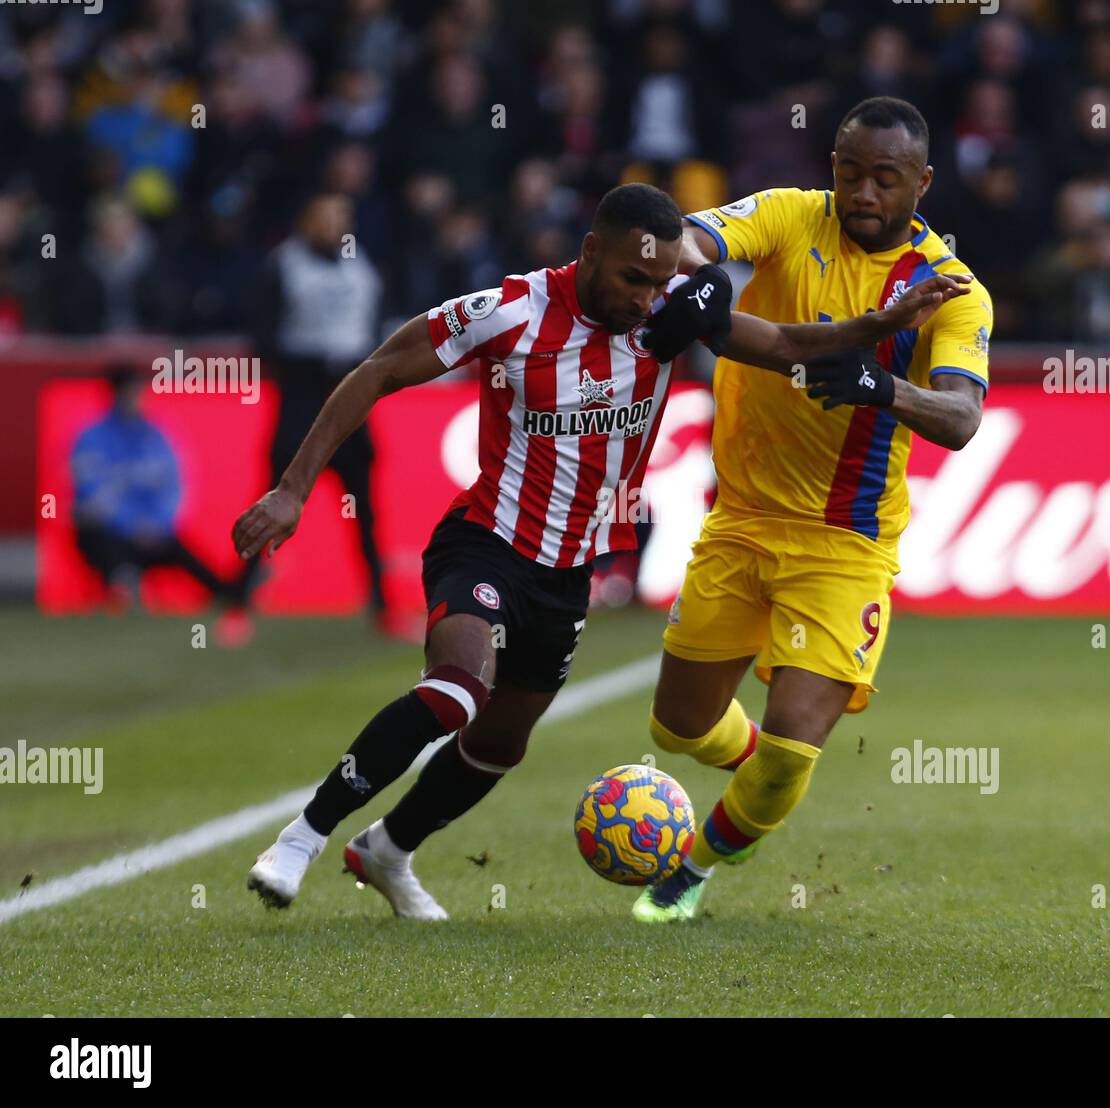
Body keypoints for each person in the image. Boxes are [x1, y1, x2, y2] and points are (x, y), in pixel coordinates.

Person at [233, 182, 965, 920]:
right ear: (589, 253)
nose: (646, 298)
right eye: (631, 279)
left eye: (657, 282)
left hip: (570, 573)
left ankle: (388, 851)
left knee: (500, 743)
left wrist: (878, 325)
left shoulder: (669, 317)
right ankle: (302, 837)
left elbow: (782, 345)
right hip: (487, 544)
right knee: (458, 689)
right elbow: (379, 369)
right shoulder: (511, 310)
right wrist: (293, 489)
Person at [633, 96, 994, 922]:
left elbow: (963, 420)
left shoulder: (952, 291)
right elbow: (694, 234)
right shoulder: (793, 216)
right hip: (739, 520)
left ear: (923, 183)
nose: (863, 193)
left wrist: (882, 386)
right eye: (849, 172)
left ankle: (691, 871)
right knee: (677, 730)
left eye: (885, 179)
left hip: (844, 543)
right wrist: (686, 274)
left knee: (795, 743)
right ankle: (755, 778)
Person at [232, 191, 395, 638]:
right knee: (274, 495)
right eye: (325, 216)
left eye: (341, 216)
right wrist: (307, 365)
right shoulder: (283, 264)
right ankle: (239, 604)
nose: (334, 225)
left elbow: (377, 331)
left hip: (350, 396)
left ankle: (383, 606)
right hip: (302, 396)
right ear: (307, 220)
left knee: (364, 507)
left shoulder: (362, 267)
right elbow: (261, 335)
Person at [73, 367, 237, 612]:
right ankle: (124, 589)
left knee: (181, 549)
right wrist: (131, 525)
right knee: (93, 527)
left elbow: (174, 487)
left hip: (155, 532)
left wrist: (158, 524)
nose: (137, 399)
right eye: (130, 393)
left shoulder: (156, 435)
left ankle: (229, 593)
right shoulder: (92, 438)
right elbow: (91, 493)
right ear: (115, 395)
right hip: (114, 533)